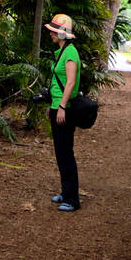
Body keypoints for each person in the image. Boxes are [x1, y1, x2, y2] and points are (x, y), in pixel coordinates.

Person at [44, 12, 81, 212]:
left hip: (65, 108)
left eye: (54, 31)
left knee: (66, 152)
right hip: (57, 106)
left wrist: (62, 107)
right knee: (61, 152)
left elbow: (71, 82)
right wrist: (52, 107)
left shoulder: (70, 53)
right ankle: (66, 193)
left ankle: (72, 199)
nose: (51, 34)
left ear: (63, 33)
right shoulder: (60, 52)